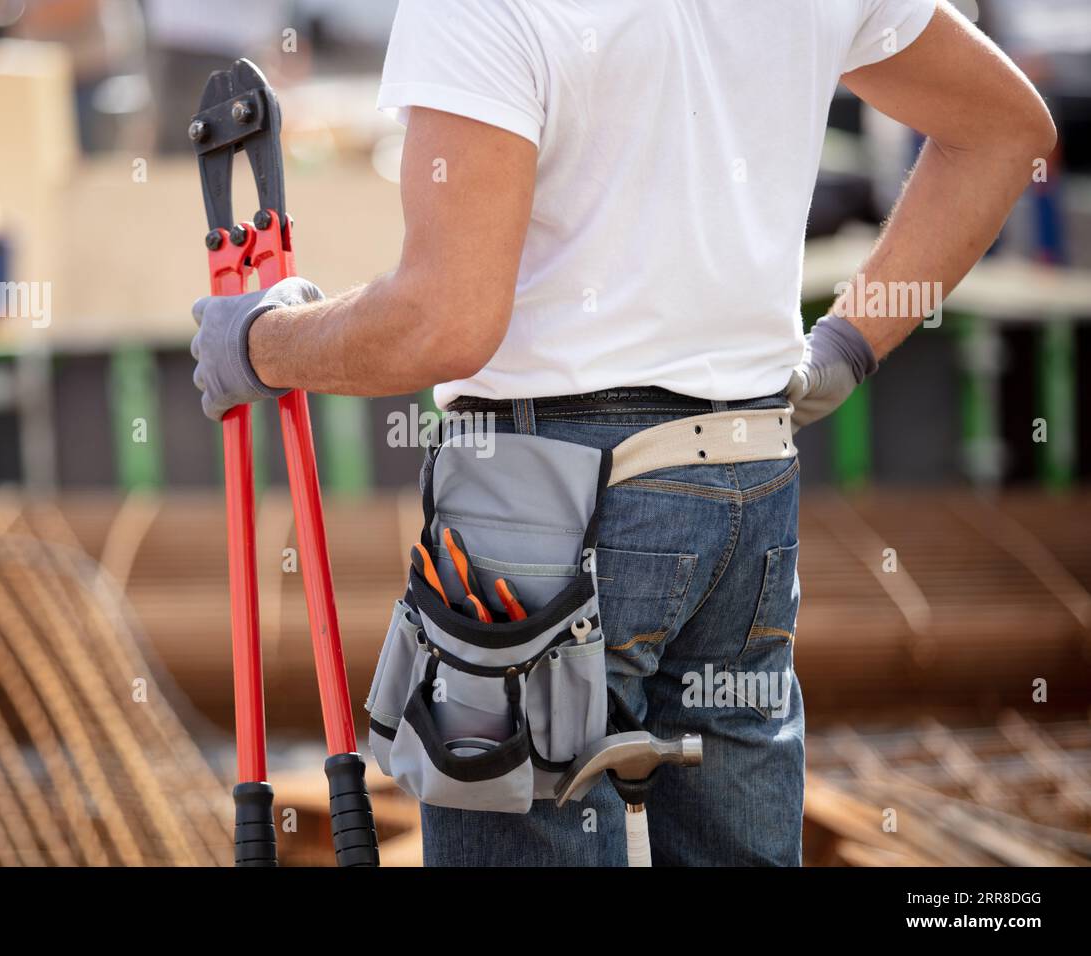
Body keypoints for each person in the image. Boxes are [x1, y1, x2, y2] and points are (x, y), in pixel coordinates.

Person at [190, 0, 1055, 866]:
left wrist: (260, 343)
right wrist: (845, 345)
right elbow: (1005, 131)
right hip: (747, 487)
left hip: (543, 508)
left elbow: (443, 321)